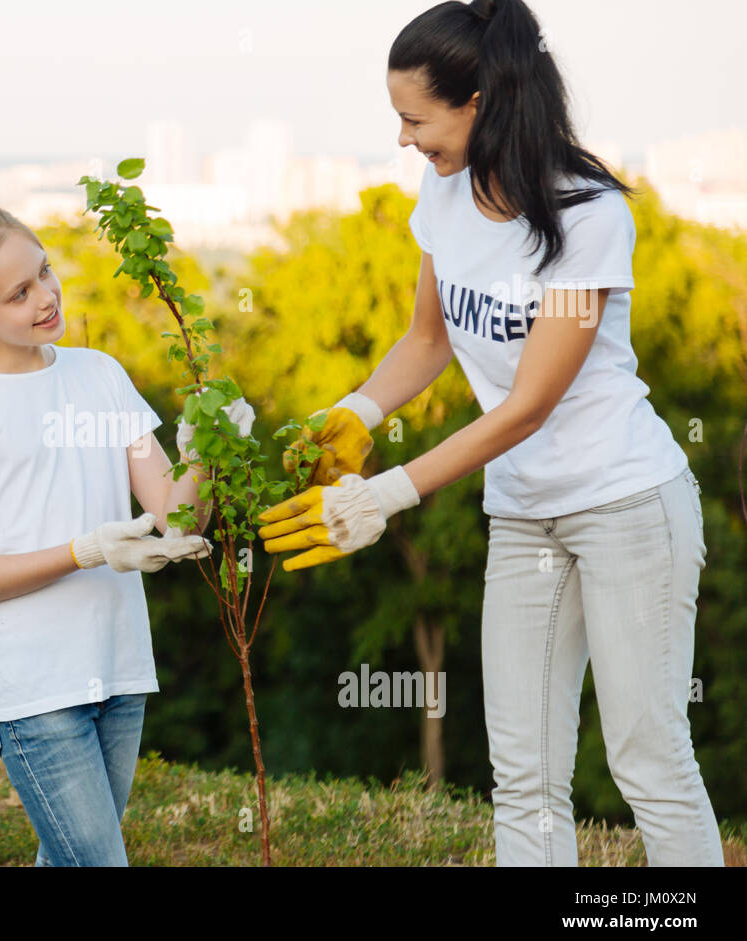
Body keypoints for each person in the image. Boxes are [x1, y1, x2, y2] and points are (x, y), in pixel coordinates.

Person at [258, 0, 722, 867]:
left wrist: (388, 494)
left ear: (478, 101)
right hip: (523, 515)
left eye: (414, 118)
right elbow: (427, 338)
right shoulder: (442, 191)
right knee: (524, 770)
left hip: (627, 504)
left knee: (648, 756)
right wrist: (358, 412)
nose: (403, 139)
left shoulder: (588, 214)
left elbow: (530, 405)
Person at [0, 203, 247, 866]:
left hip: (117, 666)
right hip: (35, 686)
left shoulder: (98, 374)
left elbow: (178, 521)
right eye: (19, 293)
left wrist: (207, 447)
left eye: (44, 272)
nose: (46, 297)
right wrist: (85, 551)